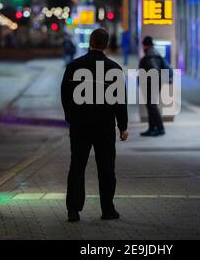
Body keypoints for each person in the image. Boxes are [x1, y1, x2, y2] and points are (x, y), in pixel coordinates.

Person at [61, 28, 129, 222]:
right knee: (106, 168)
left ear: (90, 42)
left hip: (80, 126)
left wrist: (71, 118)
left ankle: (73, 210)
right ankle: (108, 210)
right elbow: (120, 101)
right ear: (106, 45)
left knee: (77, 166)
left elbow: (65, 95)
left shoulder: (74, 66)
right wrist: (122, 126)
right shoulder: (114, 68)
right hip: (104, 126)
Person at [139, 36, 172, 137]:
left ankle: (160, 128)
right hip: (154, 83)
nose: (143, 47)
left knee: (152, 106)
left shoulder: (151, 55)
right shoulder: (155, 53)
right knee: (151, 106)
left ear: (146, 45)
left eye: (143, 45)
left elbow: (154, 70)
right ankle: (152, 128)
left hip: (152, 84)